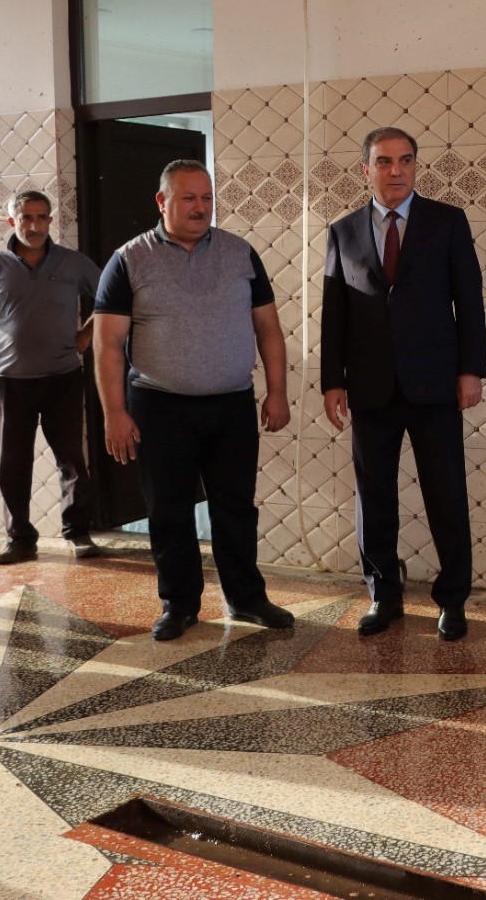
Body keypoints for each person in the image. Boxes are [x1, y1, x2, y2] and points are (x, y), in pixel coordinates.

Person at [93, 159, 294, 642]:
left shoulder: (240, 253)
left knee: (236, 507)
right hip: (159, 406)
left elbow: (268, 327)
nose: (200, 207)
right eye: (188, 198)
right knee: (169, 509)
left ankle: (246, 598)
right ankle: (179, 604)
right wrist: (115, 413)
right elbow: (106, 344)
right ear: (162, 202)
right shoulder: (128, 259)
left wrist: (278, 392)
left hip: (232, 404)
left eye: (206, 198)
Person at [321, 127, 486, 639]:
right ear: (365, 169)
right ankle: (384, 596)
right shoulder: (343, 231)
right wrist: (332, 381)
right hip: (370, 389)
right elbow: (335, 314)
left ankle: (452, 600)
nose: (397, 171)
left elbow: (471, 301)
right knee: (374, 498)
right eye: (385, 161)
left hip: (436, 385)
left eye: (406, 160)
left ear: (416, 166)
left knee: (446, 495)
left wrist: (470, 370)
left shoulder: (447, 222)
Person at [0, 189, 102, 565]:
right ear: (12, 221)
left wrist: (83, 338)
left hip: (63, 376)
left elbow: (110, 296)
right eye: (26, 217)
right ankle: (20, 540)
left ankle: (78, 533)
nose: (35, 225)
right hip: (10, 380)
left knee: (72, 459)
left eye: (42, 217)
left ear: (50, 221)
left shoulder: (73, 263)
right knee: (13, 463)